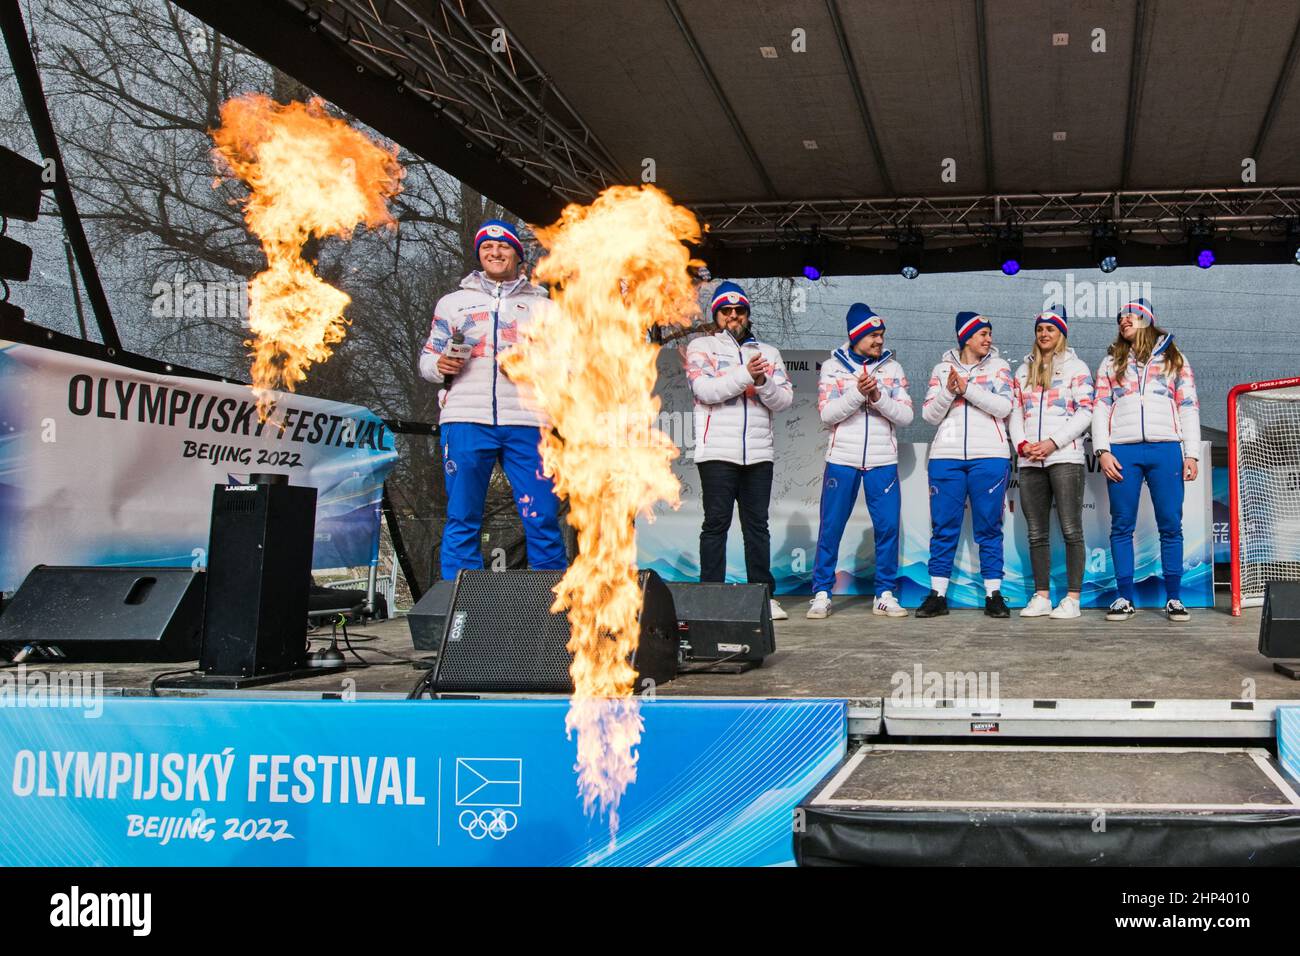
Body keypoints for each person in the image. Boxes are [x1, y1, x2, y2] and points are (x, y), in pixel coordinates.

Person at [417, 219, 568, 580]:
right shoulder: (453, 303)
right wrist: (441, 365)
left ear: (518, 255)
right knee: (463, 515)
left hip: (529, 423)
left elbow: (570, 367)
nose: (494, 252)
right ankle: (461, 609)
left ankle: (553, 608)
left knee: (542, 515)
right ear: (479, 255)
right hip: (466, 418)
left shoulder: (545, 308)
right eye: (487, 247)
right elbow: (426, 361)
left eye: (503, 248)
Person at [686, 281, 794, 620]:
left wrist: (762, 382)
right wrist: (745, 374)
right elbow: (705, 390)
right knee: (716, 524)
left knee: (757, 527)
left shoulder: (769, 353)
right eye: (726, 311)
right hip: (717, 452)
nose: (734, 316)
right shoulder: (700, 347)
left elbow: (784, 400)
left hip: (758, 454)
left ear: (747, 314)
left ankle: (763, 595)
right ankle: (710, 596)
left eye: (740, 310)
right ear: (716, 315)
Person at [1092, 298, 1200, 622]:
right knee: (1121, 525)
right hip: (1123, 450)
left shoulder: (1174, 359)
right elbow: (1099, 406)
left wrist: (1191, 453)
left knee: (1170, 523)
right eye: (1119, 318)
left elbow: (1189, 406)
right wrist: (1103, 449)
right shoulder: (1111, 362)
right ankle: (1124, 597)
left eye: (1130, 316)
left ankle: (1174, 598)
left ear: (1147, 319)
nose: (1123, 320)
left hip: (1165, 448)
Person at [807, 304, 913, 619]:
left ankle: (884, 593)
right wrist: (857, 394)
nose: (880, 341)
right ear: (857, 337)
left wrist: (878, 398)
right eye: (873, 335)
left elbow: (906, 416)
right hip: (842, 459)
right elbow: (827, 415)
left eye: (881, 335)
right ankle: (822, 592)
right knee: (831, 526)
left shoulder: (893, 369)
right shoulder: (832, 367)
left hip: (883, 460)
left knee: (888, 527)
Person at [917, 311, 1014, 618]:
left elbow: (1004, 407)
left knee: (988, 527)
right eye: (983, 333)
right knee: (944, 527)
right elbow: (929, 416)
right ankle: (937, 594)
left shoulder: (1000, 367)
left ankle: (993, 594)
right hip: (946, 457)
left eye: (989, 333)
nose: (989, 339)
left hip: (990, 455)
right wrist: (948, 390)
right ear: (966, 337)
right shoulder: (941, 368)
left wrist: (967, 389)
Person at [1009, 305, 1094, 619]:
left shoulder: (1077, 367)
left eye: (1051, 329)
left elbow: (1086, 411)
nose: (1044, 334)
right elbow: (1015, 413)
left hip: (1065, 457)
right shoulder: (1022, 371)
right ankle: (1042, 596)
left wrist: (1052, 443)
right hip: (1030, 460)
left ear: (1062, 334)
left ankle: (1072, 599)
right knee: (1036, 532)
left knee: (1072, 529)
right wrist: (1023, 444)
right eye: (1040, 329)